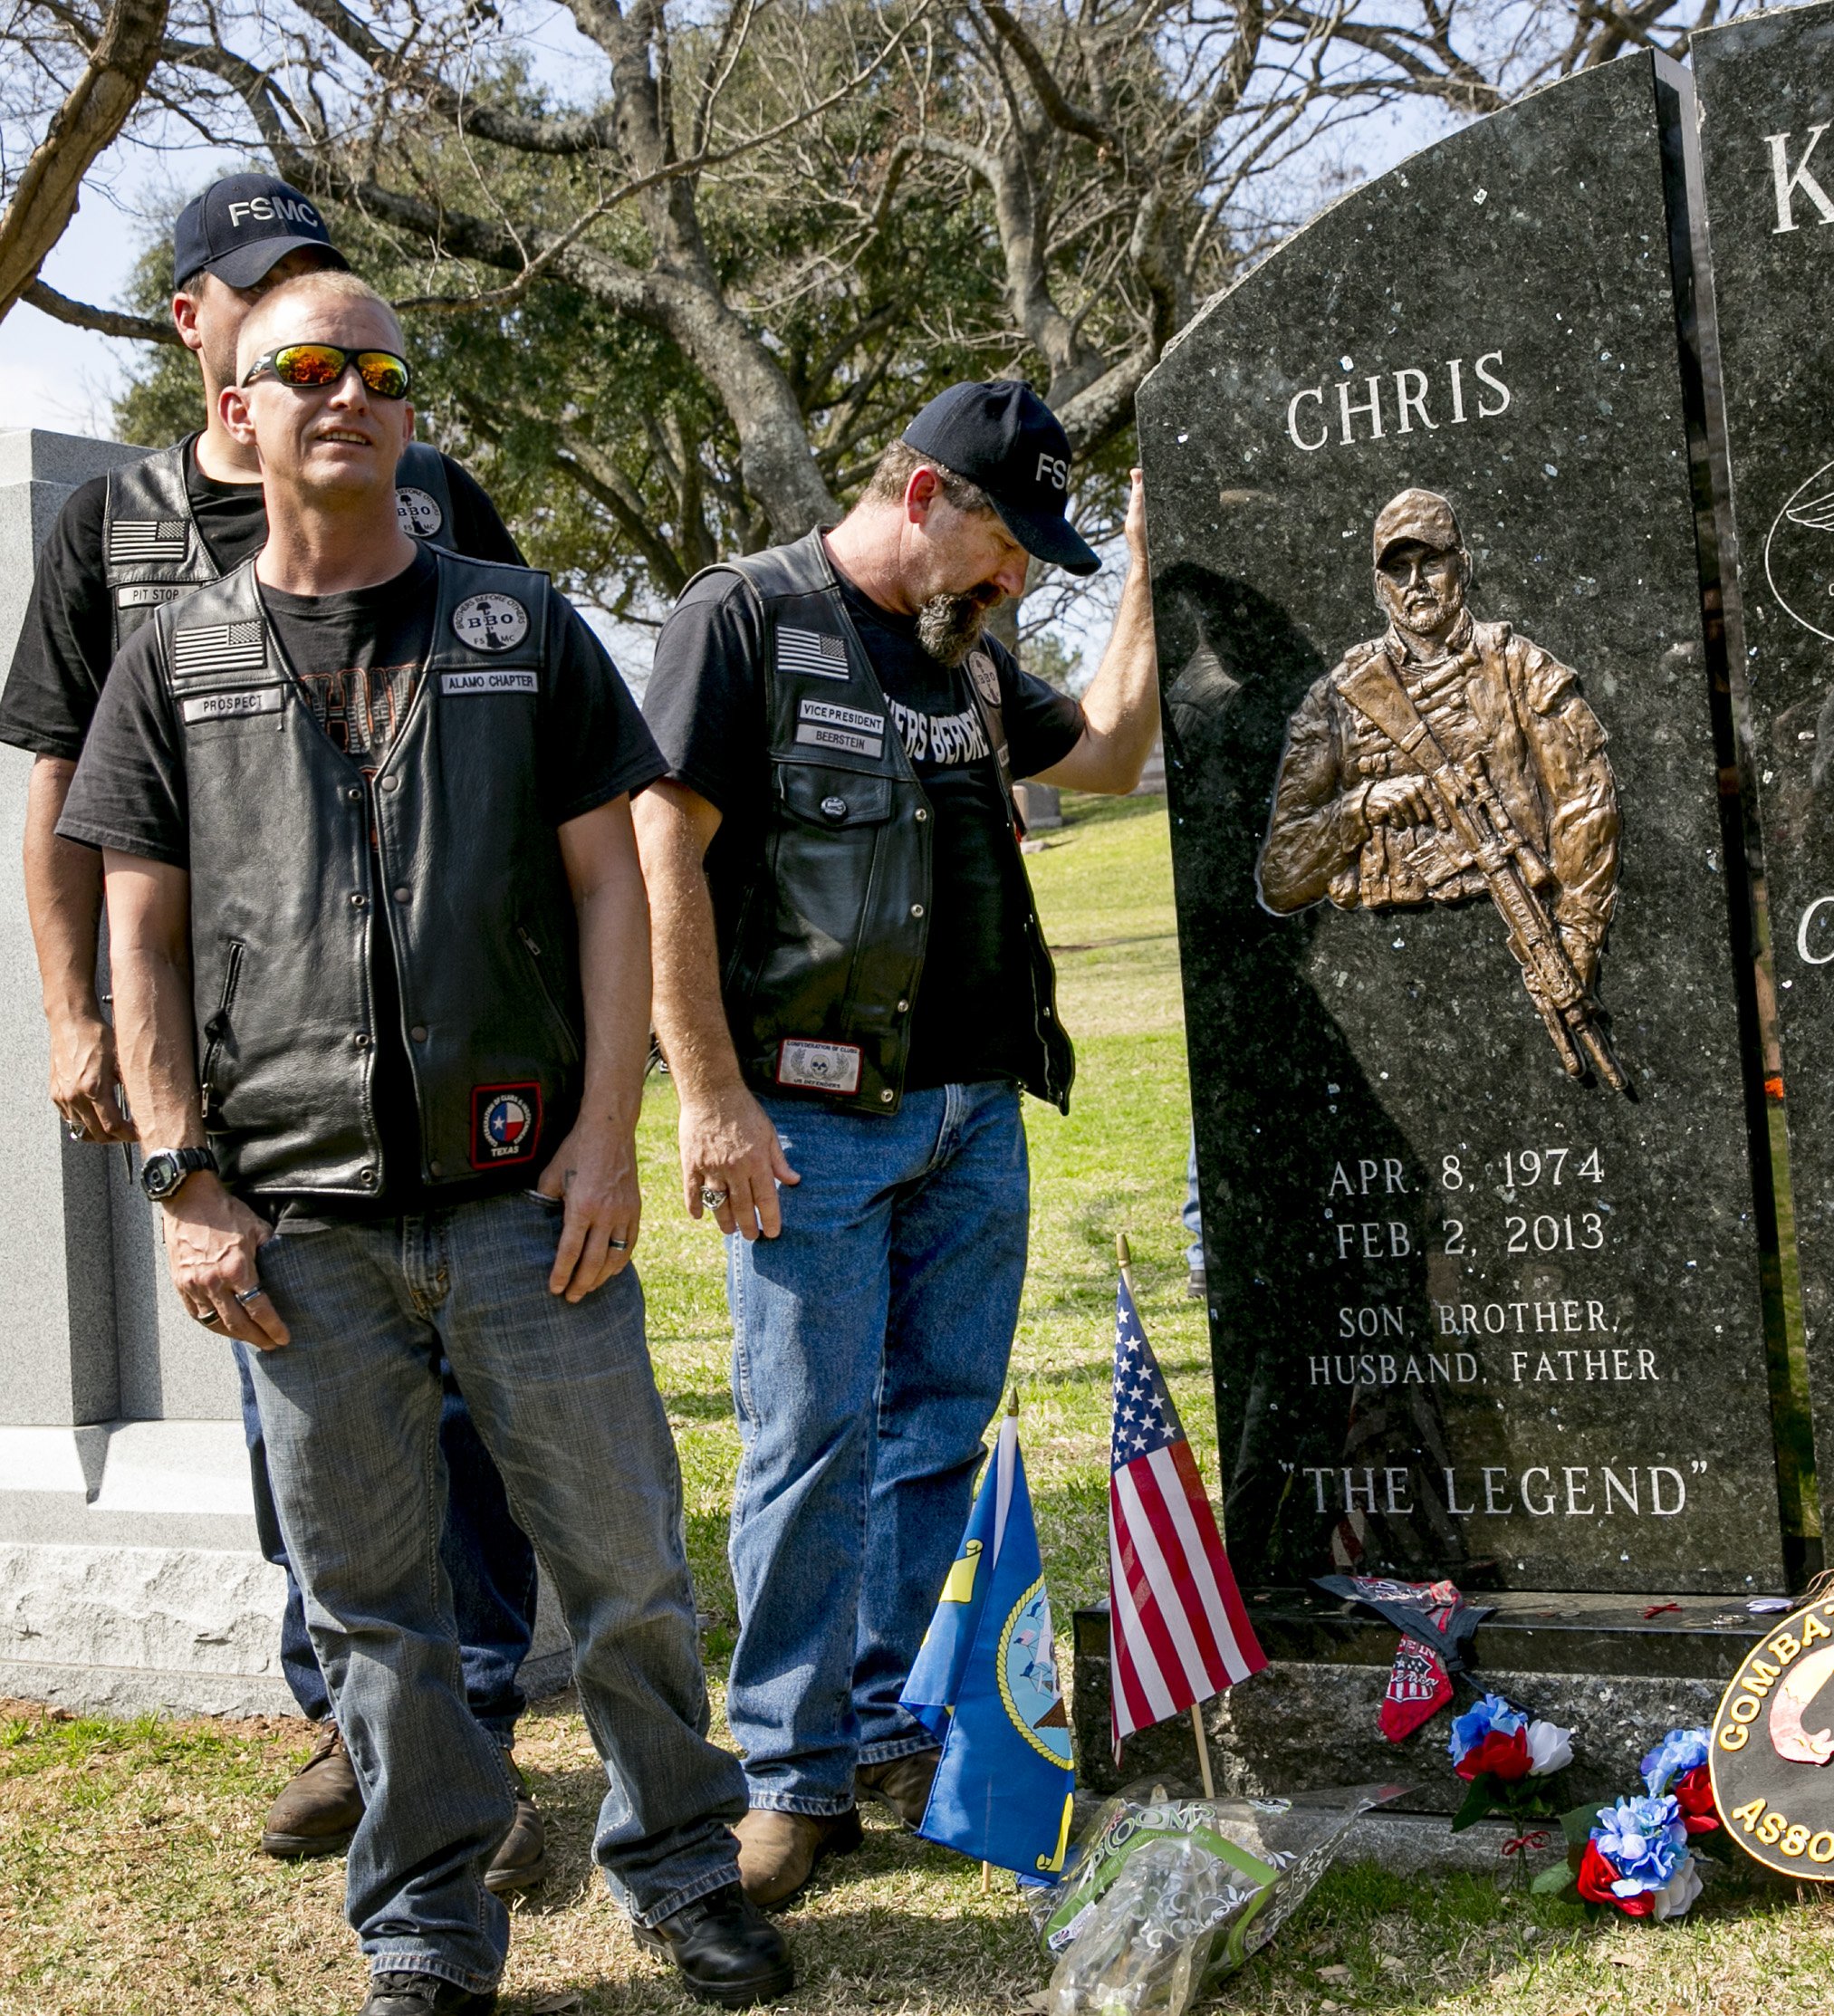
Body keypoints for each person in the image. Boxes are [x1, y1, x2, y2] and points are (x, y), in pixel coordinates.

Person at [61, 266, 787, 2015]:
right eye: (302, 367)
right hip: (299, 1236)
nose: (347, 394)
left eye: (379, 368)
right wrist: (183, 1180)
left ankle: (684, 1867)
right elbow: (138, 935)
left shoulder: (521, 627)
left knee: (624, 1572)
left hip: (524, 1208)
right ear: (234, 409)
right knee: (376, 1614)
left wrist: (607, 1135)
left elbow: (613, 887)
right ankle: (427, 1925)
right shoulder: (175, 657)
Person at [0, 171, 546, 1883]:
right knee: (285, 1400)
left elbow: (525, 736)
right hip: (246, 1060)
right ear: (195, 330)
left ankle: (473, 1713)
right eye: (271, 294)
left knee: (470, 1408)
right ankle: (348, 1710)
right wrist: (72, 1005)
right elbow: (55, 792)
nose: (330, 354)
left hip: (444, 1053)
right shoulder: (118, 533)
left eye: (337, 299)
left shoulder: (434, 488)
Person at [634, 379, 1157, 1906]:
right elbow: (664, 845)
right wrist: (711, 1093)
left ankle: (871, 1725)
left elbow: (1114, 756)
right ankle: (788, 1773)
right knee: (809, 1441)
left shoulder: (972, 661)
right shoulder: (742, 620)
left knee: (933, 1424)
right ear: (923, 496)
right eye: (1004, 545)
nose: (1013, 584)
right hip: (809, 1120)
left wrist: (1143, 564)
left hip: (974, 1114)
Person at [1256, 486, 1620, 1087]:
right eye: (1397, 569)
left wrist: (1571, 943)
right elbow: (1282, 877)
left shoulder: (1518, 667)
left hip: (1518, 931)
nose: (1416, 583)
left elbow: (1586, 805)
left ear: (1464, 566)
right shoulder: (1336, 702)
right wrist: (1363, 807)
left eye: (1432, 562)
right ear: (1379, 587)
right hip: (1385, 976)